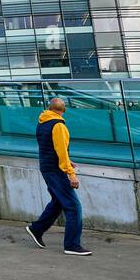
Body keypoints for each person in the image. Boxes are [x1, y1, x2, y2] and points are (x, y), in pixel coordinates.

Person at [26, 97, 91, 256]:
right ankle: (72, 245)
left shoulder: (42, 123)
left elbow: (51, 148)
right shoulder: (59, 126)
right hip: (56, 170)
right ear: (64, 110)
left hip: (47, 167)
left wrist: (68, 161)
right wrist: (71, 174)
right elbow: (61, 150)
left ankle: (37, 229)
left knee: (58, 202)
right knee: (73, 207)